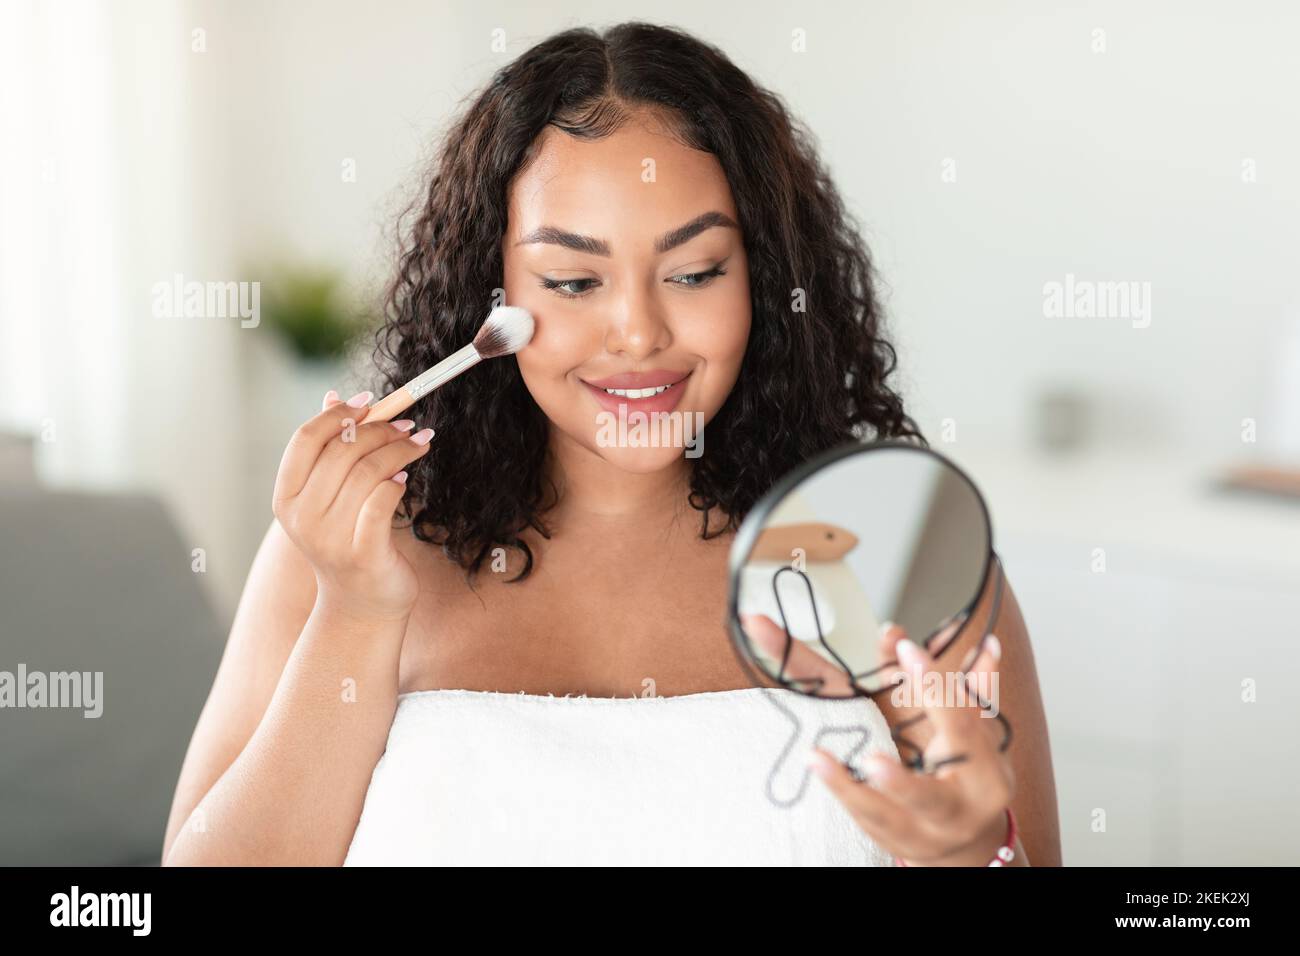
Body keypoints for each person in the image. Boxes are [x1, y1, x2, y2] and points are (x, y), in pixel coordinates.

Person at [162, 21, 1059, 866]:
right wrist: (355, 613)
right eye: (572, 280)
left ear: (766, 279)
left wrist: (974, 851)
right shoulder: (348, 552)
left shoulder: (906, 556)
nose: (637, 332)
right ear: (491, 291)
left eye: (694, 272)